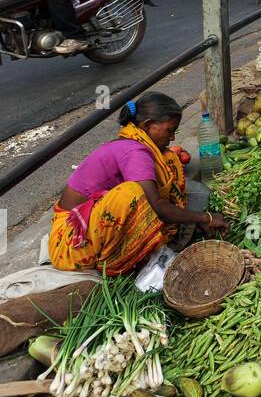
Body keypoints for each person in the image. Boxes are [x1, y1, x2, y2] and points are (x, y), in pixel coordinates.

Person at [48, 92, 225, 275]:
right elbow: (158, 207)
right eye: (169, 131)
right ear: (147, 125)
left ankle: (144, 246)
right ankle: (117, 263)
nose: (172, 138)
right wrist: (206, 218)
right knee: (130, 193)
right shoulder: (134, 151)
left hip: (88, 229)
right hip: (71, 242)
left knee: (168, 161)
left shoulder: (134, 142)